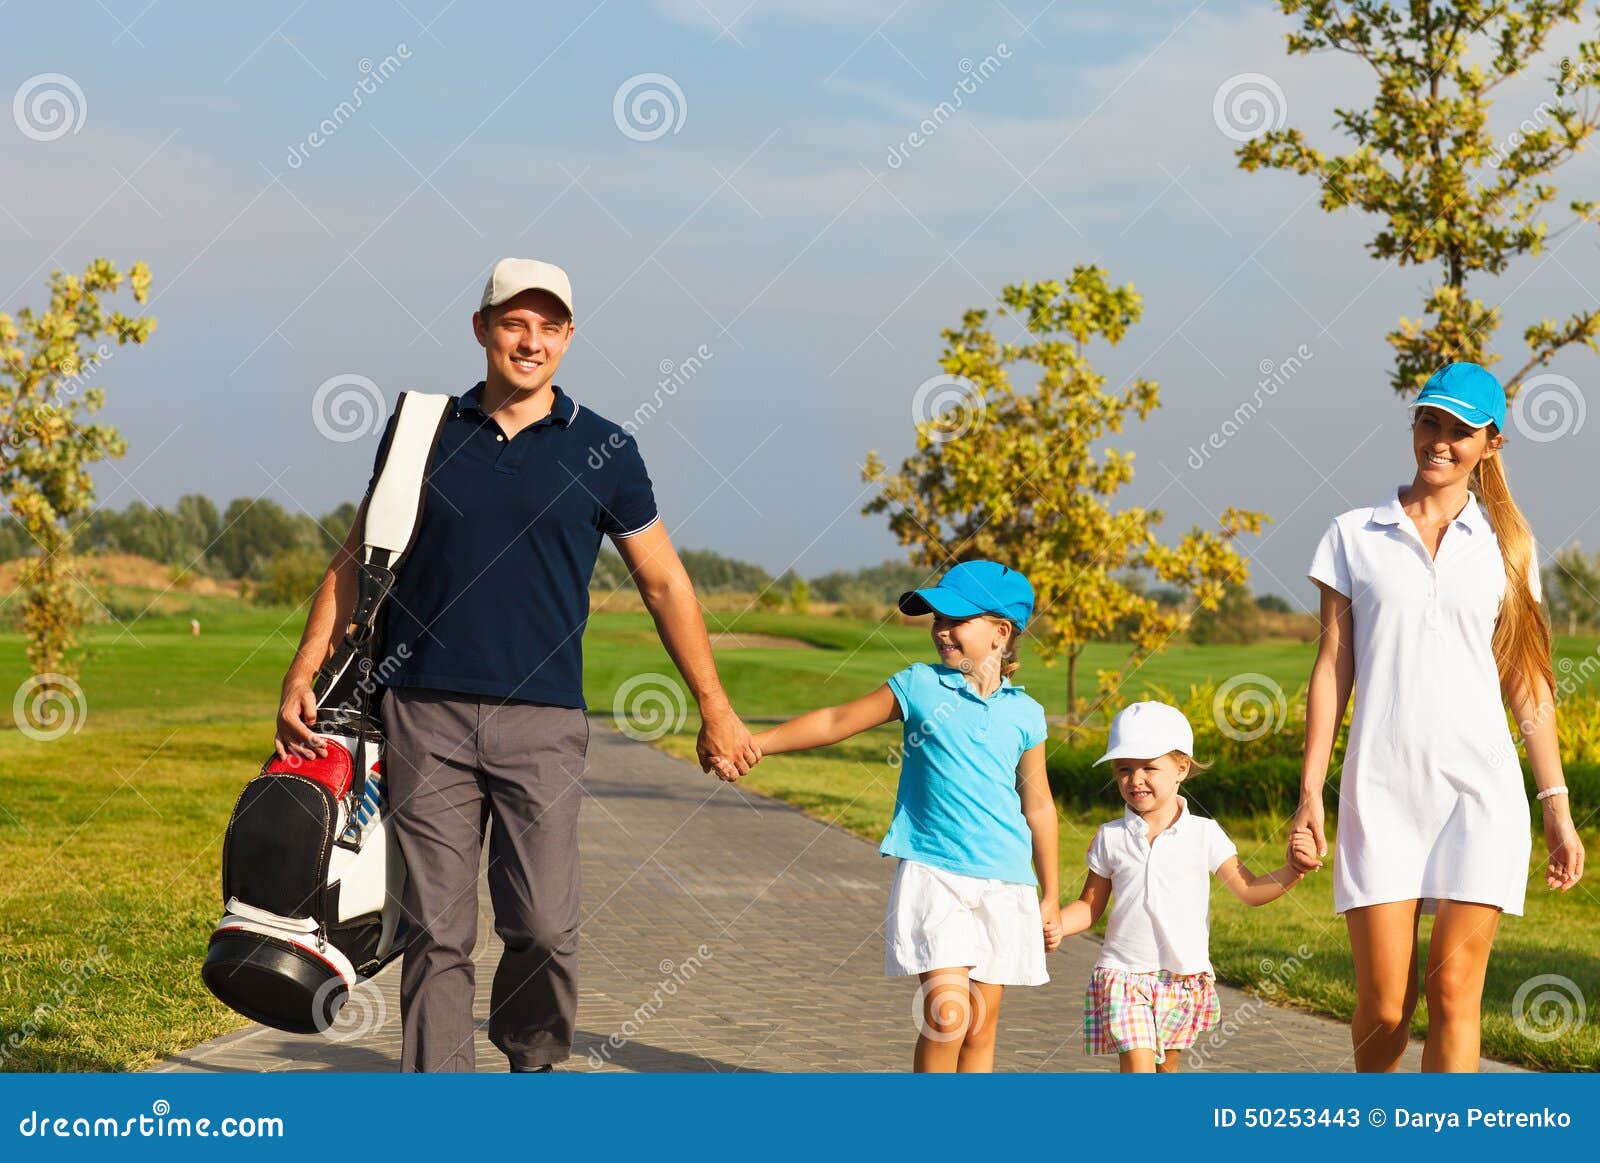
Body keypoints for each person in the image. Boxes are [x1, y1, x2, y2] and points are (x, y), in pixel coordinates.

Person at [274, 257, 759, 1072]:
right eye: (513, 322)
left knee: (542, 925)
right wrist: (304, 665)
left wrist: (713, 703)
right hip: (422, 710)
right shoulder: (422, 429)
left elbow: (664, 579)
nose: (529, 340)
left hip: (542, 723)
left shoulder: (606, 448)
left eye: (547, 325)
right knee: (438, 929)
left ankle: (533, 1061)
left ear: (568, 337)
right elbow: (358, 552)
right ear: (482, 329)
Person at [1293, 361, 1586, 1072]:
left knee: (1453, 990)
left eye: (1461, 431)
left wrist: (1557, 804)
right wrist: (1309, 790)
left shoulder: (1509, 549)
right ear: (1414, 425)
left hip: (1479, 797)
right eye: (1431, 422)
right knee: (1385, 1005)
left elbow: (1529, 683)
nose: (1441, 441)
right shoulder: (1354, 534)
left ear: (1491, 445)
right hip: (1382, 792)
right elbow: (1333, 667)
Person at [721, 560, 1060, 1072]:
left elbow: (1038, 804)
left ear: (1000, 633)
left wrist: (1052, 895)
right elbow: (838, 720)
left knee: (979, 1029)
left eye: (955, 619)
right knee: (947, 1015)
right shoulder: (919, 684)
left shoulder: (1026, 713)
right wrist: (755, 745)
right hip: (936, 871)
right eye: (935, 619)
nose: (941, 629)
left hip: (1006, 880)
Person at [1057, 701, 1316, 1072]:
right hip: (1124, 974)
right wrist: (1053, 924)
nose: (1135, 779)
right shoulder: (1110, 837)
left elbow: (1249, 889)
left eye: (1149, 767)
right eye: (1124, 769)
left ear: (1181, 769)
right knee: (1139, 1070)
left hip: (1182, 978)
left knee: (1167, 1072)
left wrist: (1293, 871)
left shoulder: (1204, 834)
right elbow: (1089, 906)